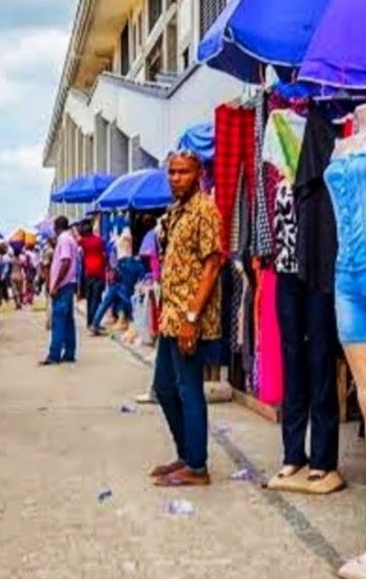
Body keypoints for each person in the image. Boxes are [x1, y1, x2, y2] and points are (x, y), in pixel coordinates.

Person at [149, 150, 223, 488]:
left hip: (189, 317)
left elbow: (212, 265)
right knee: (165, 388)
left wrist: (191, 316)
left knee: (188, 388)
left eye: (183, 172)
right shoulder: (177, 211)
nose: (176, 178)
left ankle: (197, 466)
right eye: (172, 172)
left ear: (199, 173)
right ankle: (186, 453)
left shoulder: (205, 209)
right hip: (170, 314)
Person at [41, 216, 80, 365]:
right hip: (68, 284)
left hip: (63, 286)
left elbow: (65, 261)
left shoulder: (63, 240)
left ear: (56, 227)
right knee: (68, 320)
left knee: (58, 320)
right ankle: (69, 353)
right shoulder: (70, 239)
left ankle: (54, 355)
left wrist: (56, 284)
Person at [78, 222, 107, 334]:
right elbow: (104, 255)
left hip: (88, 274)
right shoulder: (100, 240)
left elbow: (77, 240)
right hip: (99, 273)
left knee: (89, 299)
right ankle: (95, 323)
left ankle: (90, 323)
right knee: (96, 299)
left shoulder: (83, 242)